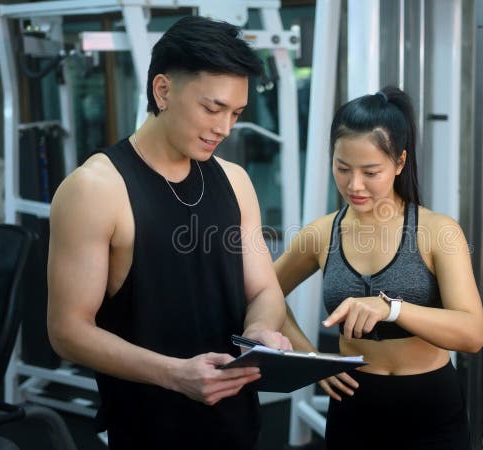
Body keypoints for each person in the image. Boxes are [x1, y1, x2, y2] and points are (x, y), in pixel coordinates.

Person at [47, 16, 291, 450]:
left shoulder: (235, 181)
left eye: (235, 114)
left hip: (237, 423)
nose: (225, 128)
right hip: (148, 430)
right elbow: (67, 330)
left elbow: (264, 290)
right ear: (163, 91)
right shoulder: (95, 189)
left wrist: (258, 331)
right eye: (213, 109)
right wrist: (175, 375)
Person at [276, 86, 483, 450]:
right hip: (353, 404)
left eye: (370, 172)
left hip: (430, 409)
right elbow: (262, 293)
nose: (354, 185)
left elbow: (472, 334)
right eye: (342, 168)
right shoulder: (321, 233)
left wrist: (392, 309)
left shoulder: (437, 231)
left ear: (400, 163)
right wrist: (309, 357)